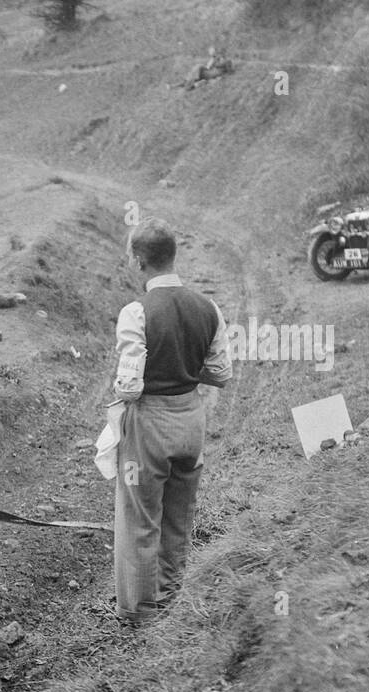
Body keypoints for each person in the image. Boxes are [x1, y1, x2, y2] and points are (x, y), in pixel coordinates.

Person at [110, 218, 232, 624]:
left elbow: (129, 386)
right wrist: (185, 365)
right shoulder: (208, 307)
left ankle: (142, 611)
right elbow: (221, 375)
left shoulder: (136, 312)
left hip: (151, 421)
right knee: (179, 517)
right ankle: (174, 601)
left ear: (140, 260)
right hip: (191, 418)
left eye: (131, 256)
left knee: (141, 518)